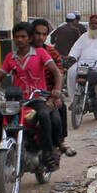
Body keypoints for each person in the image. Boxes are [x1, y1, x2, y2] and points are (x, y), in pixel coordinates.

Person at [0, 21, 61, 171]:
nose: (19, 40)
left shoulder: (40, 53)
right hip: (17, 101)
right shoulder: (10, 57)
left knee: (43, 115)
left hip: (37, 98)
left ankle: (48, 151)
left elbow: (56, 73)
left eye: (23, 36)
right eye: (16, 37)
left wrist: (57, 90)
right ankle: (2, 151)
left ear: (29, 38)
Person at [31, 18, 75, 158]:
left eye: (44, 34)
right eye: (37, 34)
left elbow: (59, 74)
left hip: (48, 93)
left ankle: (60, 141)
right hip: (27, 96)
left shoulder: (51, 52)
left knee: (57, 113)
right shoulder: (21, 52)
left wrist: (54, 95)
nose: (41, 37)